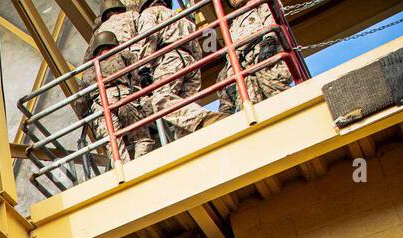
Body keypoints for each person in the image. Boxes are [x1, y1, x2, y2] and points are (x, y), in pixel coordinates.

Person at [138, 0, 218, 140]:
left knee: (160, 100)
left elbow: (148, 37)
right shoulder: (184, 18)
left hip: (169, 57)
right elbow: (197, 48)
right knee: (186, 115)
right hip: (191, 62)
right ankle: (194, 141)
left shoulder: (150, 13)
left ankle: (207, 118)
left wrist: (144, 68)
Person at [82, 30, 156, 161]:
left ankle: (126, 172)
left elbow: (81, 101)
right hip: (124, 97)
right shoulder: (122, 54)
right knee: (142, 138)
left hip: (100, 106)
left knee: (114, 145)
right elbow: (139, 71)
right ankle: (140, 165)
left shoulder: (88, 71)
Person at [218, 0, 293, 113]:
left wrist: (269, 40)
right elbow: (231, 53)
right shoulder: (233, 23)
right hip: (244, 63)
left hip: (263, 51)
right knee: (250, 102)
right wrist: (231, 75)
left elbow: (271, 19)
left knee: (275, 89)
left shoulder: (260, 3)